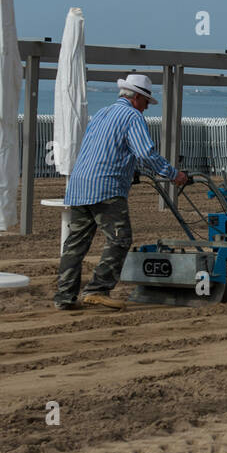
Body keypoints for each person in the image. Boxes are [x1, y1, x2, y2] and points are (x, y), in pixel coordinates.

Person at [54, 73, 189, 310]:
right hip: (105, 187)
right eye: (146, 102)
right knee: (120, 238)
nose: (146, 108)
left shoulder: (101, 114)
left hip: (78, 186)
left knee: (75, 244)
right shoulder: (132, 116)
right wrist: (174, 175)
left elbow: (105, 150)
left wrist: (130, 172)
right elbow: (146, 154)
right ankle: (97, 289)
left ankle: (64, 296)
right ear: (137, 97)